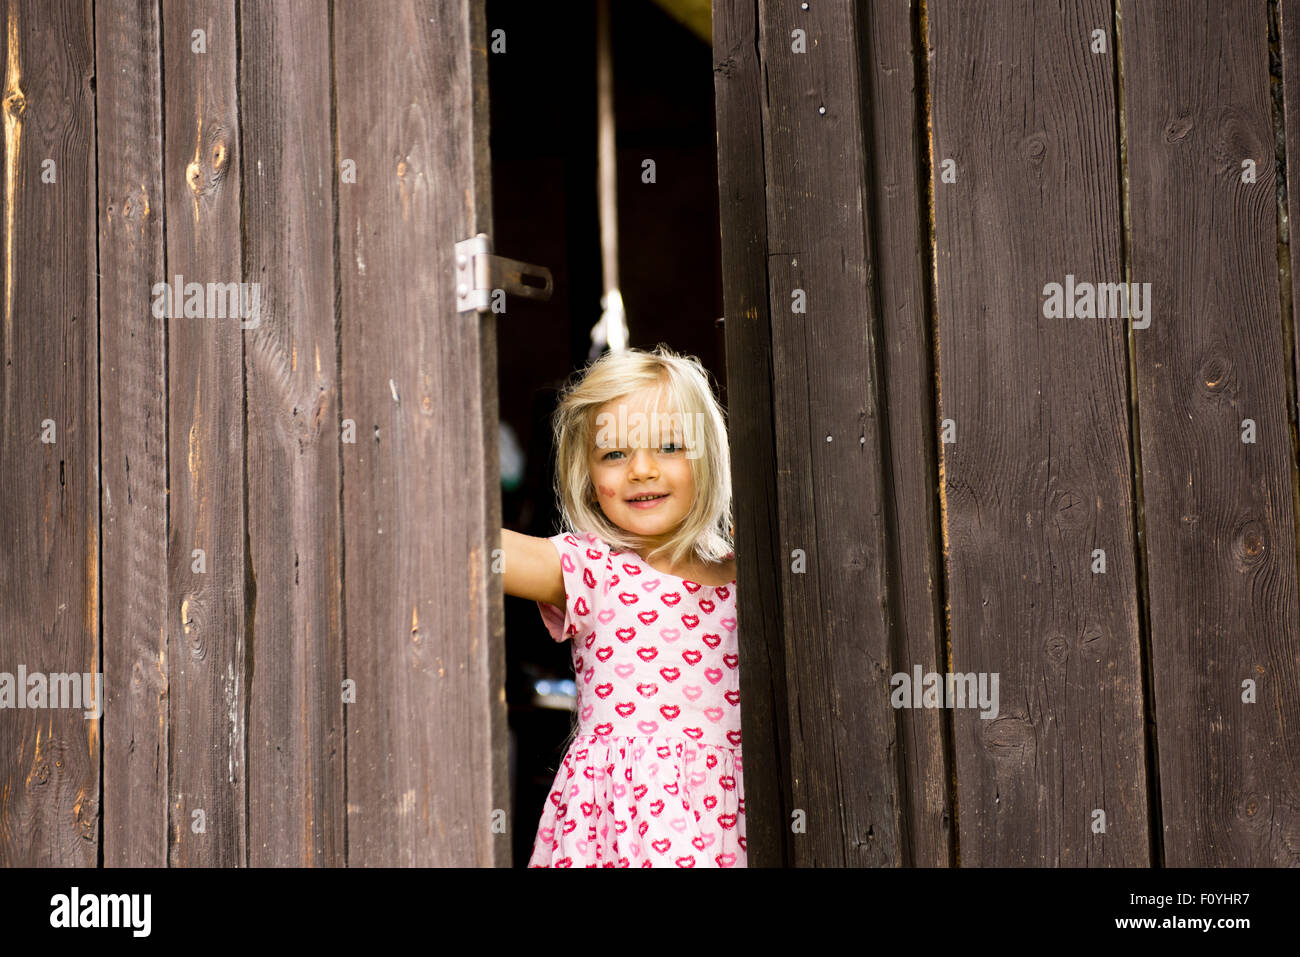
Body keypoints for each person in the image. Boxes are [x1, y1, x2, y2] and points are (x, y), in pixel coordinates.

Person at [501, 344, 744, 867]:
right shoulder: (594, 570)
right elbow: (480, 551)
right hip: (616, 829)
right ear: (588, 474)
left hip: (732, 820)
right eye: (614, 453)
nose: (641, 470)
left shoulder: (752, 579)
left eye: (669, 446)